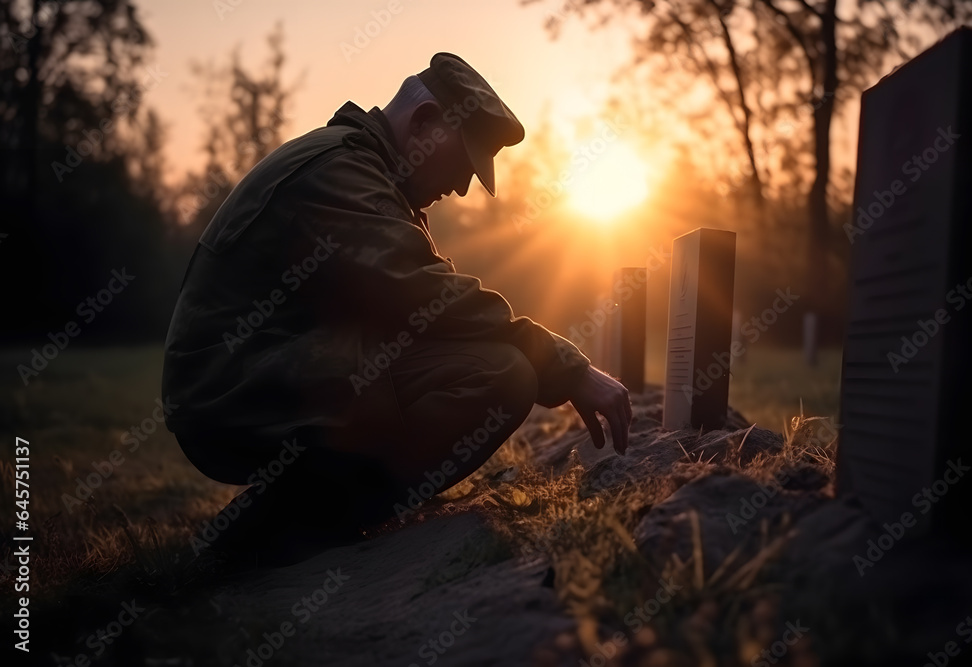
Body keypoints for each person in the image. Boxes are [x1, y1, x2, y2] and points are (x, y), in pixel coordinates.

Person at [162, 52, 631, 563]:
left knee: (493, 364)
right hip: (227, 388)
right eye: (462, 163)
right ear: (426, 123)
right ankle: (272, 535)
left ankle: (295, 515)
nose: (461, 186)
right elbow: (426, 295)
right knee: (501, 377)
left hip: (272, 369)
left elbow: (419, 307)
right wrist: (564, 366)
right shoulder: (340, 171)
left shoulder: (365, 170)